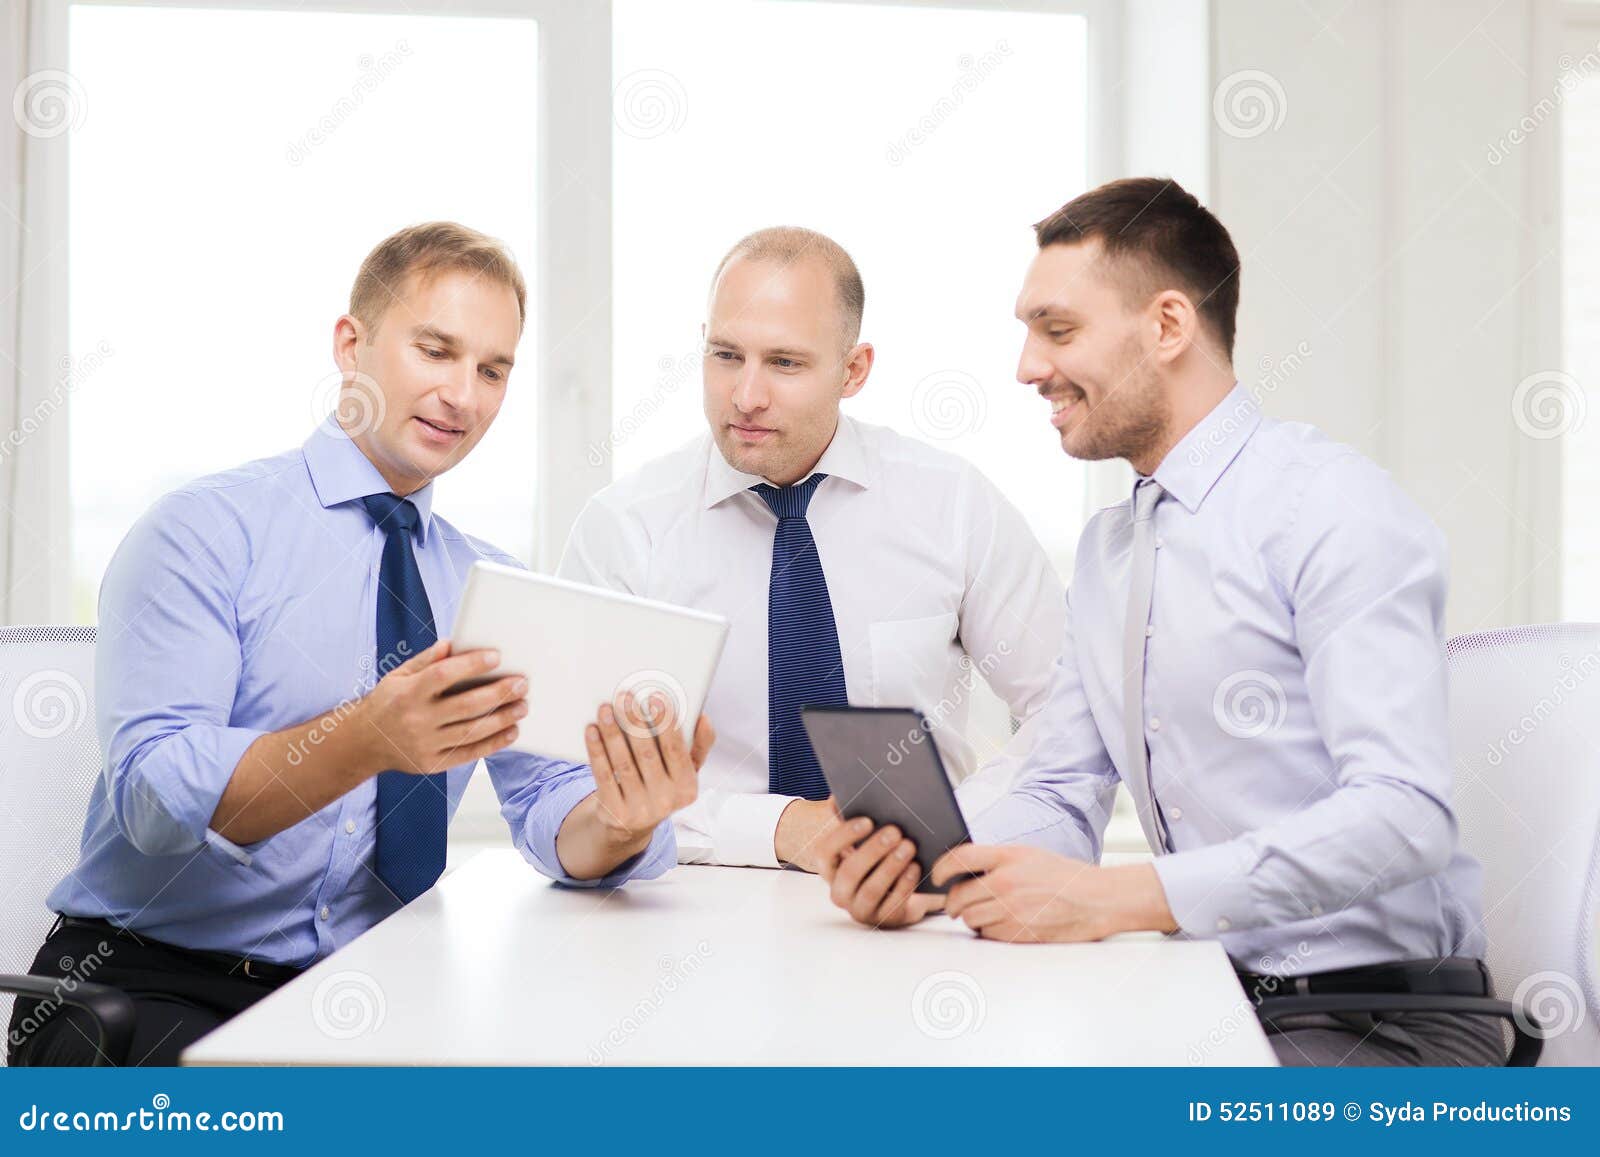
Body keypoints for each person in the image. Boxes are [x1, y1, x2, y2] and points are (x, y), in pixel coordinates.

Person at [816, 178, 1506, 1066]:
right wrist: (930, 867)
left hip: (1381, 1021)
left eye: (1058, 330)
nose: (1027, 367)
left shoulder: (1330, 507)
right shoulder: (1112, 549)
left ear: (1169, 325)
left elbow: (1405, 816)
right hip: (1208, 998)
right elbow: (1059, 791)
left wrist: (1123, 898)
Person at [8, 223, 711, 1066]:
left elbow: (550, 807)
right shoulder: (204, 531)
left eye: (492, 370)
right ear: (351, 345)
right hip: (147, 986)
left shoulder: (487, 586)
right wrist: (366, 738)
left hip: (367, 995)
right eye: (435, 350)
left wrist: (622, 817)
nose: (462, 395)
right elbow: (155, 801)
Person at [559, 227, 1064, 872]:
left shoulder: (955, 505)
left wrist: (952, 828)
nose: (746, 396)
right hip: (694, 901)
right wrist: (777, 829)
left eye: (785, 363)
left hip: (922, 898)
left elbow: (1065, 711)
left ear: (854, 370)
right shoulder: (626, 527)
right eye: (726, 355)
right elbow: (578, 780)